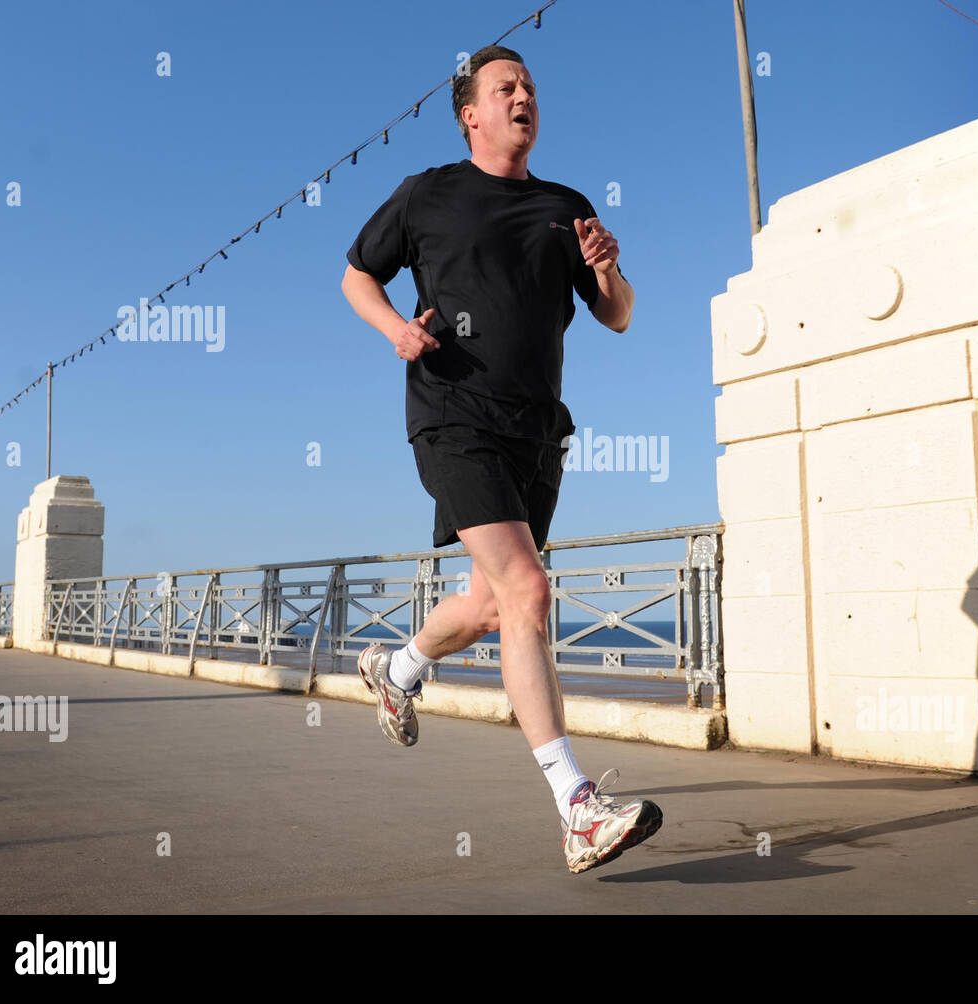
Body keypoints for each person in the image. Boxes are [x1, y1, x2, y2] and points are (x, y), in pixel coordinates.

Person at [340, 44, 661, 874]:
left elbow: (617, 316)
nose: (523, 97)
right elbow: (355, 276)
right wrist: (396, 330)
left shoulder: (566, 206)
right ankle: (577, 808)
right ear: (470, 113)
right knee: (528, 589)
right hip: (452, 414)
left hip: (537, 430)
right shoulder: (428, 193)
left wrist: (608, 268)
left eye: (530, 88)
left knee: (492, 602)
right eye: (505, 88)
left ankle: (398, 668)